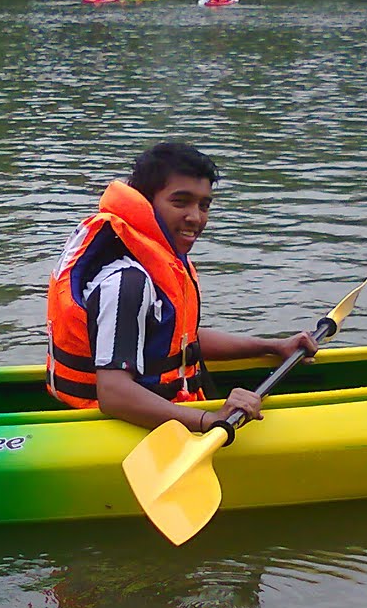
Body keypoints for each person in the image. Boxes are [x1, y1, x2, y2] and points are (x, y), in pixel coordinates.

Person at [45, 142, 320, 434]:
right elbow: (114, 395)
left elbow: (182, 341)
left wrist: (272, 346)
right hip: (114, 428)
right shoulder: (127, 282)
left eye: (204, 205)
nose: (196, 218)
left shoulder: (161, 263)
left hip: (160, 411)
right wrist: (209, 420)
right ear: (144, 203)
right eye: (181, 202)